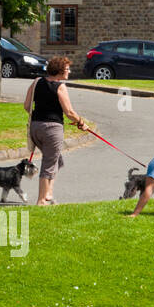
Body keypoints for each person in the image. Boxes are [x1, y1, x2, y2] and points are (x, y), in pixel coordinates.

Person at [22, 56, 88, 206]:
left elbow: (27, 106)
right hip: (52, 130)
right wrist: (81, 122)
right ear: (59, 71)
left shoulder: (37, 82)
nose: (69, 71)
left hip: (35, 128)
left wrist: (40, 116)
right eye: (67, 69)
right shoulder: (60, 87)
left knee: (56, 159)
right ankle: (41, 200)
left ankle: (49, 194)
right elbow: (69, 112)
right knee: (49, 163)